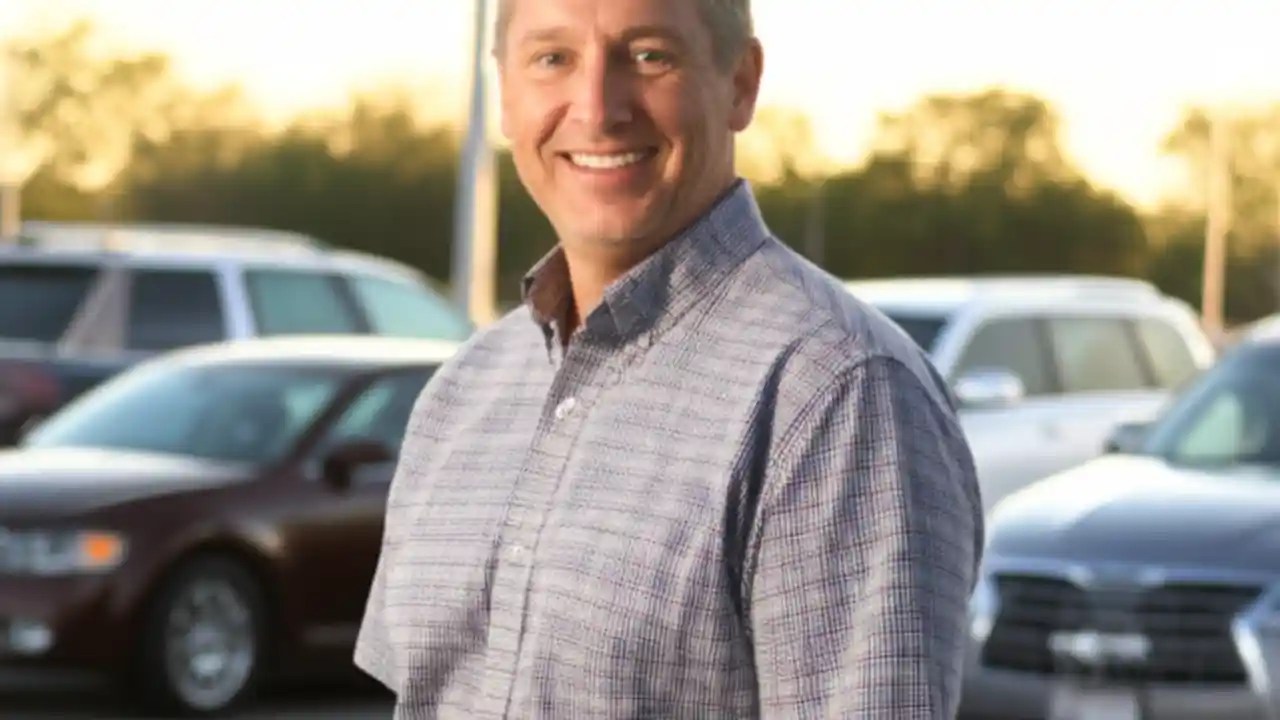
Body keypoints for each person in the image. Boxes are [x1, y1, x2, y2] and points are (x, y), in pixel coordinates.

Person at [355, 0, 984, 716]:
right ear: (504, 89)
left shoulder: (839, 395)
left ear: (740, 83)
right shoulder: (461, 396)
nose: (596, 109)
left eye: (649, 55)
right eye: (552, 58)